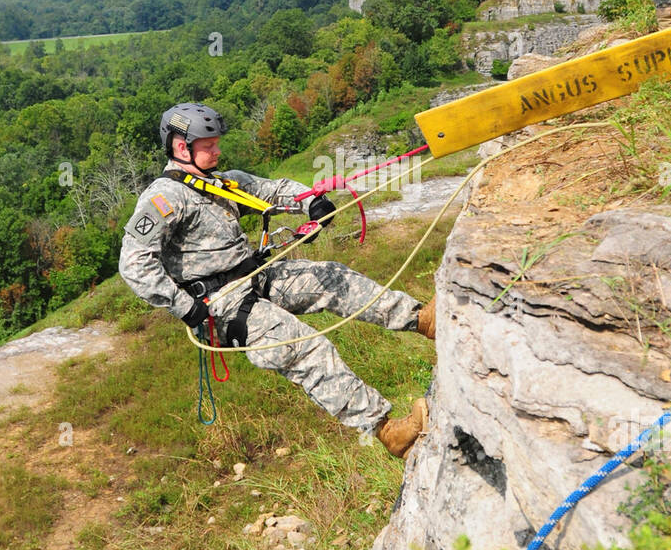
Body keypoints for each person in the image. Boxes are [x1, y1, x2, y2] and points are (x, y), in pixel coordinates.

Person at [118, 103, 436, 457]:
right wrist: (185, 308)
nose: (218, 149)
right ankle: (388, 431)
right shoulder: (165, 197)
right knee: (304, 346)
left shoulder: (221, 182)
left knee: (330, 277)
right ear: (182, 148)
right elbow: (134, 264)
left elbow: (272, 190)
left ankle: (423, 320)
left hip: (253, 277)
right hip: (219, 306)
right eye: (209, 144)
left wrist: (311, 203)